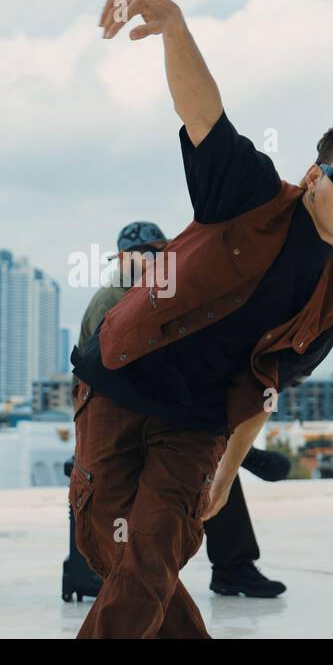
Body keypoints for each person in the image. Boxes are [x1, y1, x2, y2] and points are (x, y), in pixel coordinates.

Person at [69, 0, 333, 638]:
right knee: (109, 549)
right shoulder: (250, 192)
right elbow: (204, 112)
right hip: (118, 380)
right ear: (315, 176)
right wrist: (173, 28)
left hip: (194, 428)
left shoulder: (329, 305)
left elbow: (261, 391)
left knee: (151, 556)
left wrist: (226, 473)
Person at [61, 221, 292, 603]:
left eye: (154, 255)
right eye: (135, 258)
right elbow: (96, 377)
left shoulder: (174, 296)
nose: (145, 264)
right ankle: (87, 571)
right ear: (121, 261)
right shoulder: (111, 300)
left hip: (169, 412)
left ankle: (233, 567)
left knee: (213, 469)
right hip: (118, 413)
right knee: (95, 479)